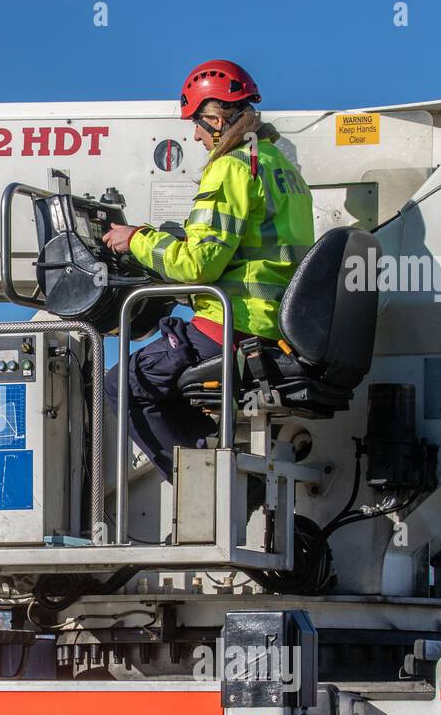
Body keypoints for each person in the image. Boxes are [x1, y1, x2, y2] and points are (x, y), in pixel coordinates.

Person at [102, 60, 315, 482]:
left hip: (233, 321)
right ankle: (221, 474)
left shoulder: (231, 167)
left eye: (197, 123)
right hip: (272, 324)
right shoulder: (280, 166)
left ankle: (207, 490)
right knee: (159, 381)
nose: (196, 135)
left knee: (120, 383)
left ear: (216, 118)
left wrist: (136, 240)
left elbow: (198, 264)